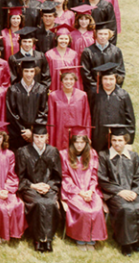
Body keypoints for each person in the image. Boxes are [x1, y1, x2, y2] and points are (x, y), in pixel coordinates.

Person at [16, 124, 62, 252]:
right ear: (32, 137)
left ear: (47, 137)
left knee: (51, 203)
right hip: (30, 187)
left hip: (49, 187)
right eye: (36, 136)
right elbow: (21, 176)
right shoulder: (23, 152)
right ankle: (38, 239)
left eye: (42, 137)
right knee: (38, 203)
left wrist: (48, 185)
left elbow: (57, 177)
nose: (39, 140)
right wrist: (33, 186)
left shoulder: (53, 151)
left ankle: (48, 239)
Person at [59, 129, 107, 250]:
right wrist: (80, 193)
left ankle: (91, 238)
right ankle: (80, 238)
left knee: (96, 208)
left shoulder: (93, 154)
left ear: (87, 142)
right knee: (83, 210)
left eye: (82, 142)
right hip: (73, 192)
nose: (79, 145)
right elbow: (65, 177)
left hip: (91, 190)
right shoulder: (64, 154)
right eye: (76, 142)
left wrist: (90, 191)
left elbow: (94, 176)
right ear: (72, 142)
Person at [97, 125, 139, 256]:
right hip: (114, 194)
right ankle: (126, 243)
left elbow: (138, 176)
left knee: (137, 206)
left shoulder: (134, 156)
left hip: (132, 192)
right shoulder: (104, 156)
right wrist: (120, 192)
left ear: (126, 141)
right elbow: (102, 179)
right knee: (126, 208)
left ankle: (136, 241)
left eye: (120, 140)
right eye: (114, 140)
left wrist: (134, 191)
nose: (117, 143)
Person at [89, 63, 135, 152]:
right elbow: (88, 114)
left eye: (111, 79)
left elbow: (130, 119)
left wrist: (128, 142)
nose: (108, 82)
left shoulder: (123, 95)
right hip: (98, 136)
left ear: (116, 79)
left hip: (117, 137)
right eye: (105, 79)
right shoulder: (94, 93)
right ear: (101, 79)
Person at [47, 68, 90, 150]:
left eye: (71, 79)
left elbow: (86, 117)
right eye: (65, 79)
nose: (68, 82)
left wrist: (86, 135)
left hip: (78, 135)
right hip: (60, 134)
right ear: (61, 81)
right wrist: (50, 135)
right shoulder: (53, 96)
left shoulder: (82, 95)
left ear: (75, 81)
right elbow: (51, 118)